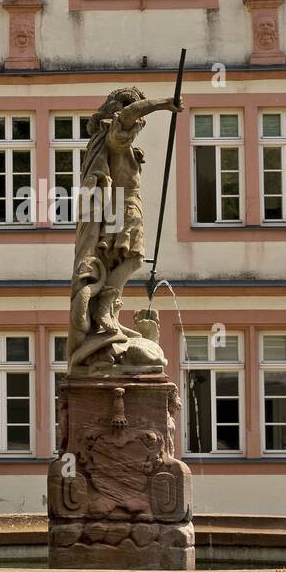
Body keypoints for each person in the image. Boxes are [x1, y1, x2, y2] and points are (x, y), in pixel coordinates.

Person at [66, 86, 181, 373]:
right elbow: (129, 115)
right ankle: (105, 308)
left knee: (117, 259)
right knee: (133, 258)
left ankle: (108, 313)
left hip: (117, 206)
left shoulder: (112, 139)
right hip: (122, 207)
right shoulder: (116, 133)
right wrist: (165, 103)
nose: (139, 125)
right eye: (139, 118)